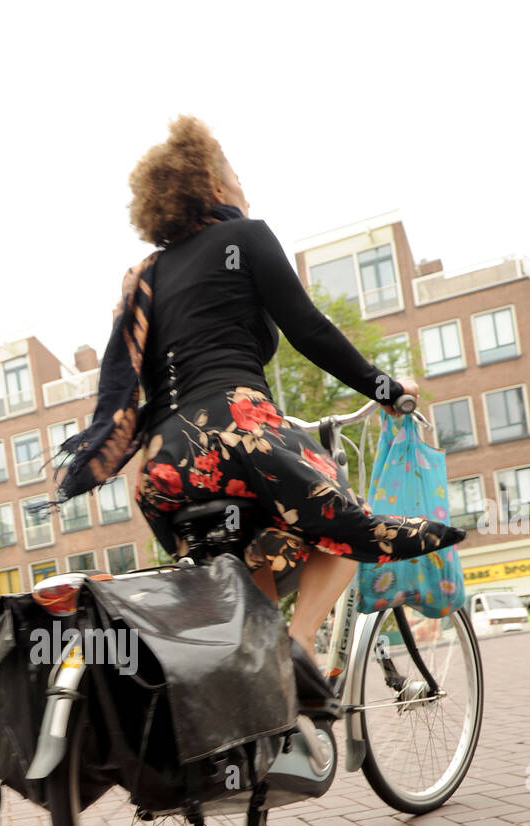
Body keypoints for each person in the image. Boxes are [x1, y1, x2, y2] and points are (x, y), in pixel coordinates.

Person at [53, 115, 465, 702]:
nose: (246, 186)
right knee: (347, 531)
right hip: (237, 432)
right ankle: (300, 647)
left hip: (162, 465)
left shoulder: (145, 276)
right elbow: (309, 330)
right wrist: (386, 389)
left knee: (258, 558)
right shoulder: (245, 236)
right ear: (215, 187)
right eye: (237, 175)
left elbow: (147, 380)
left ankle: (275, 712)